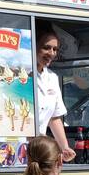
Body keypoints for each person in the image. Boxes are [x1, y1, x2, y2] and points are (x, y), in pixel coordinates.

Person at [33, 26, 76, 162]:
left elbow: (54, 117)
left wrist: (65, 148)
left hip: (39, 149)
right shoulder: (20, 74)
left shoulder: (52, 77)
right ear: (34, 46)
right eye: (46, 47)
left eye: (55, 49)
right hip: (16, 147)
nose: (51, 53)